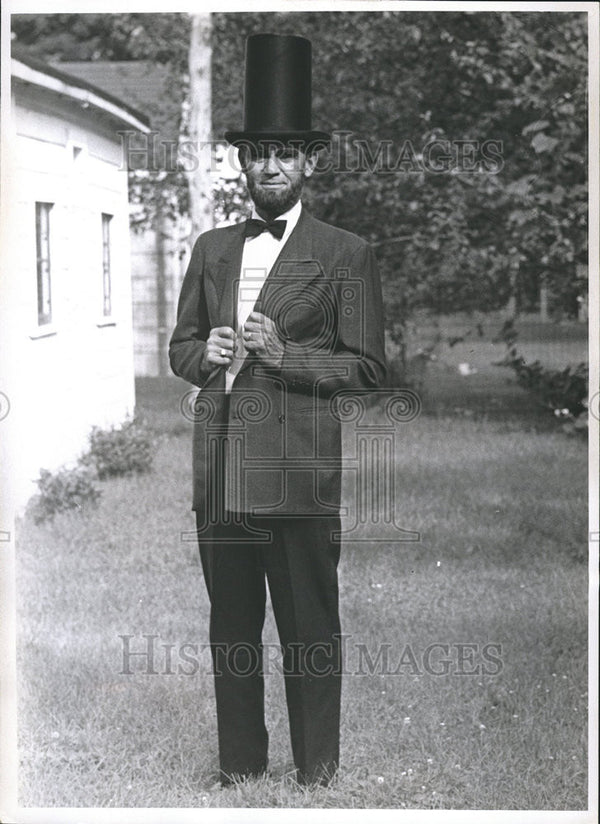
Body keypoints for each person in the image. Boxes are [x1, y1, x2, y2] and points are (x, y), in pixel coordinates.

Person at [169, 33, 386, 787]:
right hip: (223, 472)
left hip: (299, 475)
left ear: (309, 162)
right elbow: (180, 347)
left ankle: (317, 769)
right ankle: (239, 767)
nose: (271, 166)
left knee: (309, 631)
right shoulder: (211, 248)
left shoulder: (345, 254)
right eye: (259, 151)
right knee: (232, 630)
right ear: (242, 161)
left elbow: (365, 369)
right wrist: (212, 354)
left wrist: (283, 355)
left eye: (286, 153)